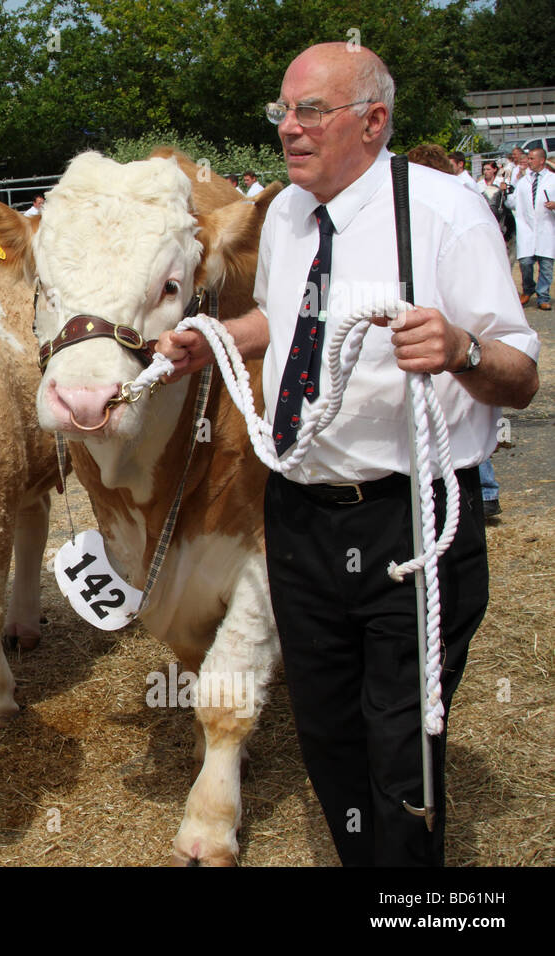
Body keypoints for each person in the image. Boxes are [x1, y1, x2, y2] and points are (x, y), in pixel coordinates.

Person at [157, 42, 539, 866]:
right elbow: (285, 323)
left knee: (398, 741)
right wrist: (216, 338)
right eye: (282, 112)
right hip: (298, 514)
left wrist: (463, 350)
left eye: (311, 113)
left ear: (373, 121)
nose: (289, 130)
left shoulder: (444, 213)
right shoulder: (287, 214)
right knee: (326, 733)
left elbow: (523, 378)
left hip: (412, 521)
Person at [506, 147, 555, 310]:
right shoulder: (523, 181)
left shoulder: (552, 179)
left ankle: (543, 296)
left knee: (546, 266)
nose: (529, 162)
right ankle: (528, 289)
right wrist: (505, 193)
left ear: (542, 160)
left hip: (546, 228)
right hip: (527, 229)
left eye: (532, 159)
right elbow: (513, 202)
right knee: (526, 263)